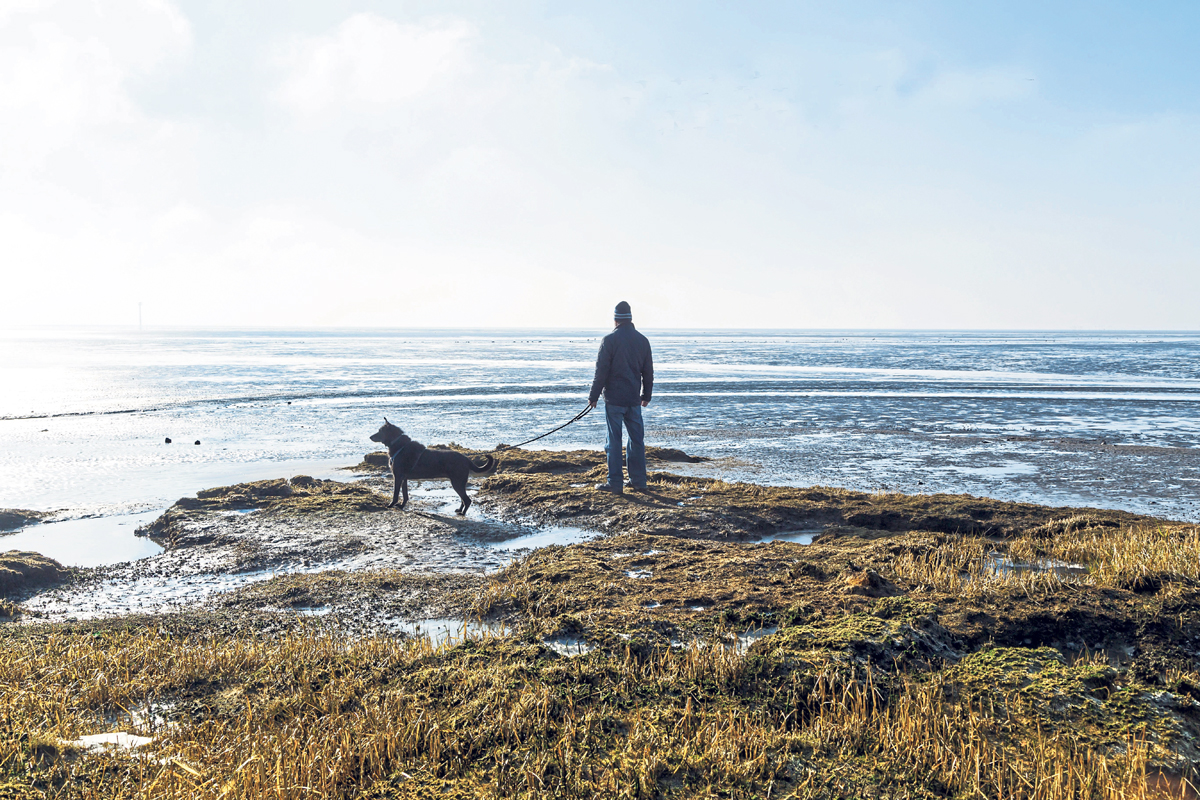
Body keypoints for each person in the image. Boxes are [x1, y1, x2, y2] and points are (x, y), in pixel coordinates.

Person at [588, 301, 653, 494]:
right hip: (634, 399)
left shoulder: (609, 340)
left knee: (614, 441)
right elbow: (648, 372)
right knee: (636, 440)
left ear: (615, 319)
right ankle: (639, 481)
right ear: (630, 318)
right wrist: (646, 395)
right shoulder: (643, 340)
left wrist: (593, 396)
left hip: (614, 400)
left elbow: (601, 372)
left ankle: (615, 483)